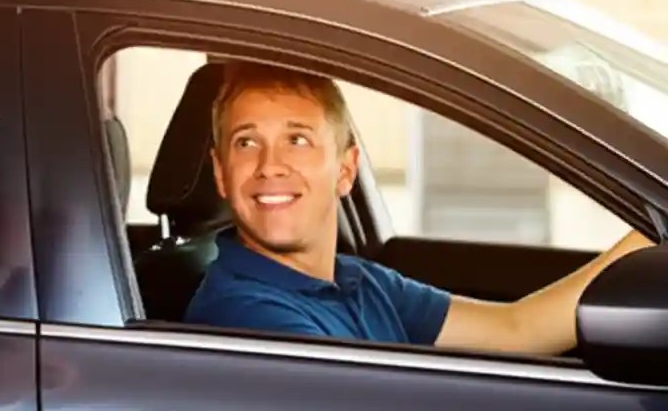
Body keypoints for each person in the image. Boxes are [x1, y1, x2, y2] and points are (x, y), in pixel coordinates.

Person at [183, 61, 655, 355]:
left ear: (346, 169)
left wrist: (654, 224)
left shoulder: (360, 282)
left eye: (297, 140)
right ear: (222, 173)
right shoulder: (244, 317)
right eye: (247, 142)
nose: (270, 165)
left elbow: (518, 328)